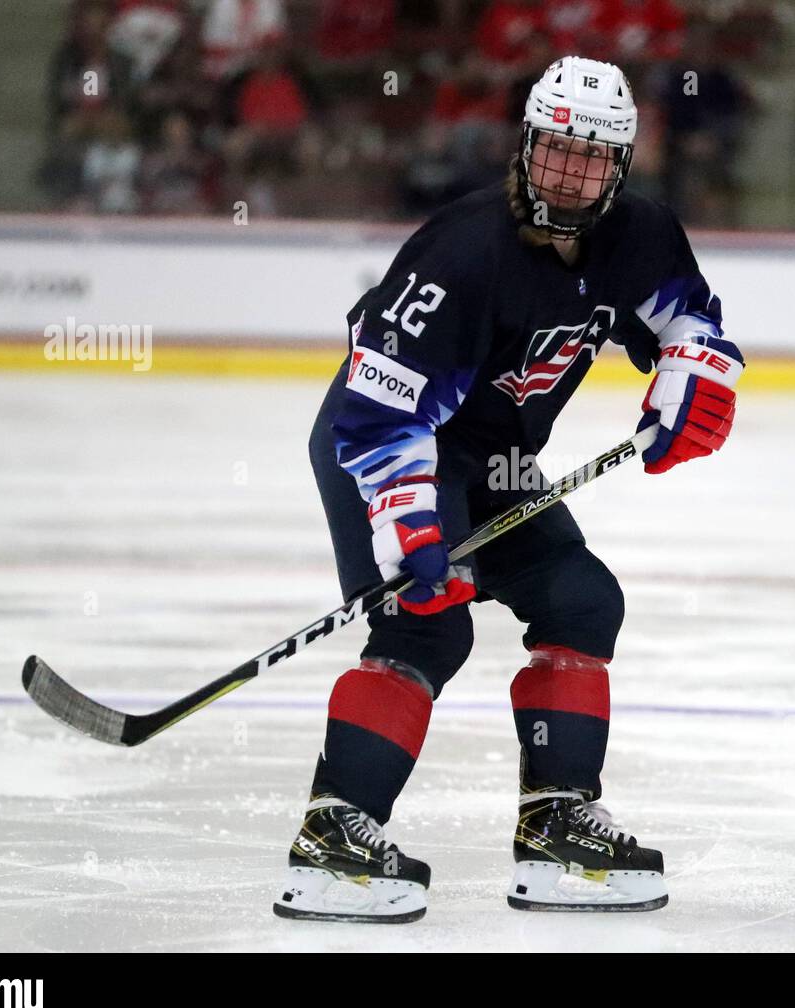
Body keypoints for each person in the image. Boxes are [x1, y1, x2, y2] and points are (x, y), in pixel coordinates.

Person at [274, 56, 744, 922]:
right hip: (388, 446)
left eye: (594, 157)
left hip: (493, 460)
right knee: (428, 623)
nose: (571, 172)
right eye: (557, 150)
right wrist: (410, 529)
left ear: (621, 167)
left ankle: (555, 824)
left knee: (582, 600)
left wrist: (694, 373)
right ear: (526, 147)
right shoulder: (462, 251)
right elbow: (381, 416)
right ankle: (333, 840)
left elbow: (691, 323)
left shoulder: (638, 237)